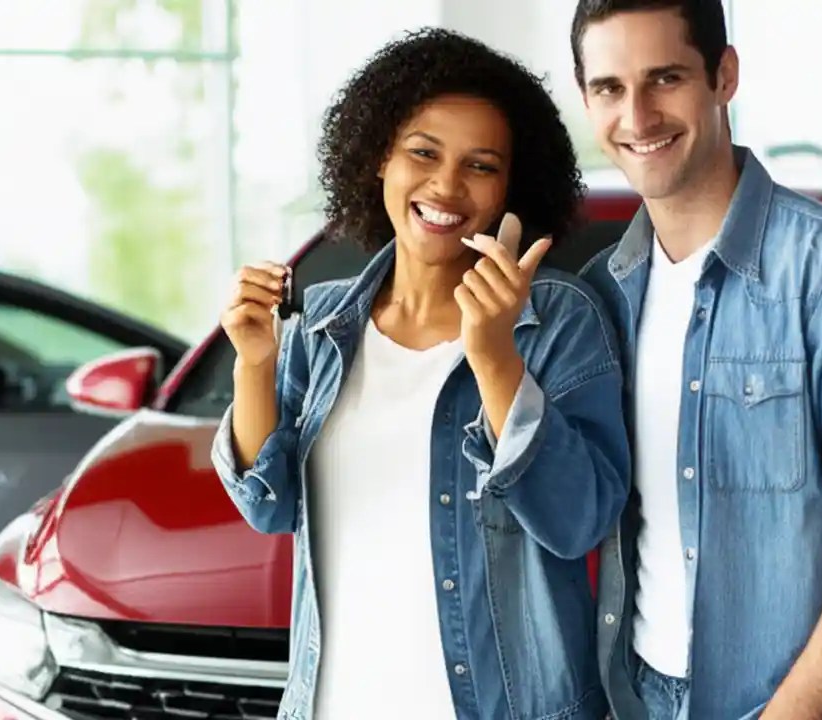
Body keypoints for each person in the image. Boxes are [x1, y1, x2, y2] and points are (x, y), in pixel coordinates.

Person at [210, 27, 630, 720]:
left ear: (511, 186)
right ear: (380, 156)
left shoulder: (558, 318)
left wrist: (494, 359)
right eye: (424, 152)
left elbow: (577, 520)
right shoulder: (322, 325)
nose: (446, 185)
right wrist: (255, 365)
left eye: (481, 165)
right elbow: (268, 507)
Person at [570, 1, 822, 718]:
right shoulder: (605, 294)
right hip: (644, 697)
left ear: (724, 75)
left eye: (665, 78)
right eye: (610, 88)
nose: (638, 116)